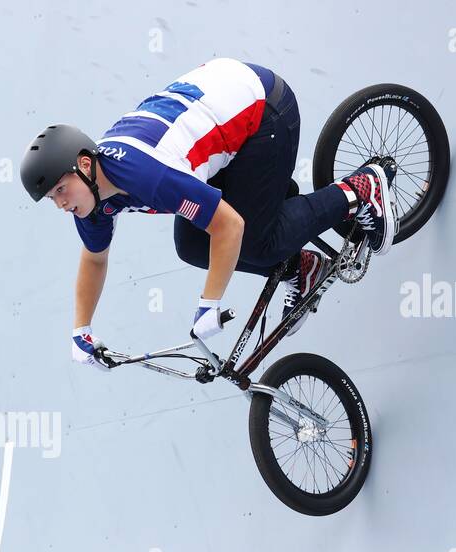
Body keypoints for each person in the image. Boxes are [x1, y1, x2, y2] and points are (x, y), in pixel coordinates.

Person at [20, 58, 396, 369]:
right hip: (218, 117)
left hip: (263, 112)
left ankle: (361, 189)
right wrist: (80, 329)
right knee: (191, 246)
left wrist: (209, 304)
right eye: (52, 198)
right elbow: (94, 260)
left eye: (60, 191)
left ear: (84, 165)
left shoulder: (147, 176)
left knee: (257, 242)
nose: (61, 204)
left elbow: (229, 226)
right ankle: (302, 267)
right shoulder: (91, 199)